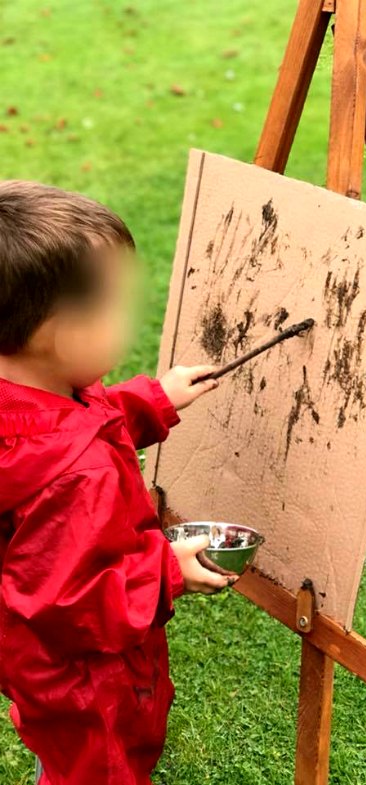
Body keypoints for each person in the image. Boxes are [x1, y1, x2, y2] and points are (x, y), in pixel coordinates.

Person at [0, 180, 238, 784]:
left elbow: (80, 423)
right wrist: (166, 571)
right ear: (59, 333)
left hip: (42, 668)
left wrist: (153, 400)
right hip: (88, 680)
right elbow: (69, 600)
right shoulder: (74, 477)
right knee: (101, 769)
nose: (129, 319)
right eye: (117, 306)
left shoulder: (31, 403)